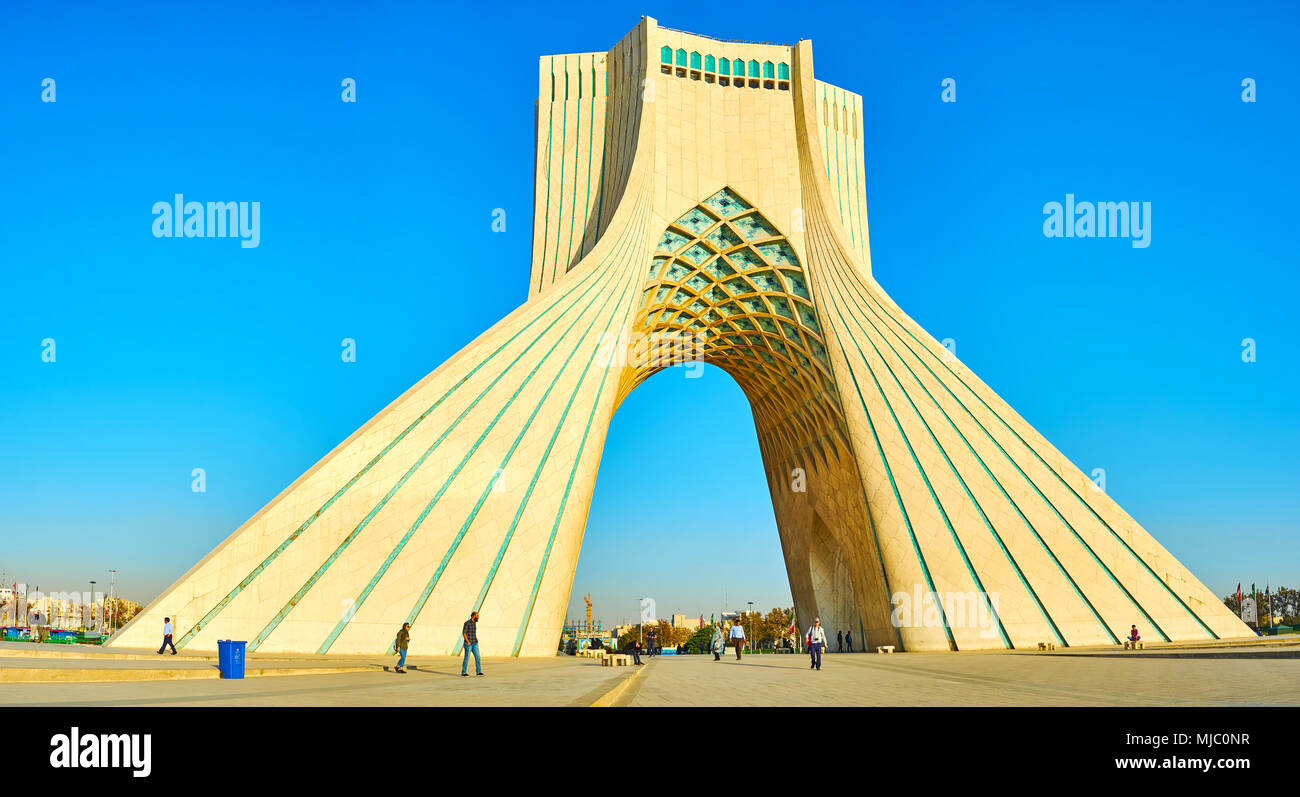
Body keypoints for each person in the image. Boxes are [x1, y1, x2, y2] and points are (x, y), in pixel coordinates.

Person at [461, 611, 483, 676]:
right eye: (477, 616)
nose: (478, 617)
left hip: (475, 643)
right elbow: (464, 633)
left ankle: (478, 672)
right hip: (469, 644)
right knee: (467, 658)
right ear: (473, 616)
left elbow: (473, 632)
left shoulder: (474, 623)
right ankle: (463, 672)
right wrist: (468, 642)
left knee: (478, 657)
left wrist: (476, 638)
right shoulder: (467, 623)